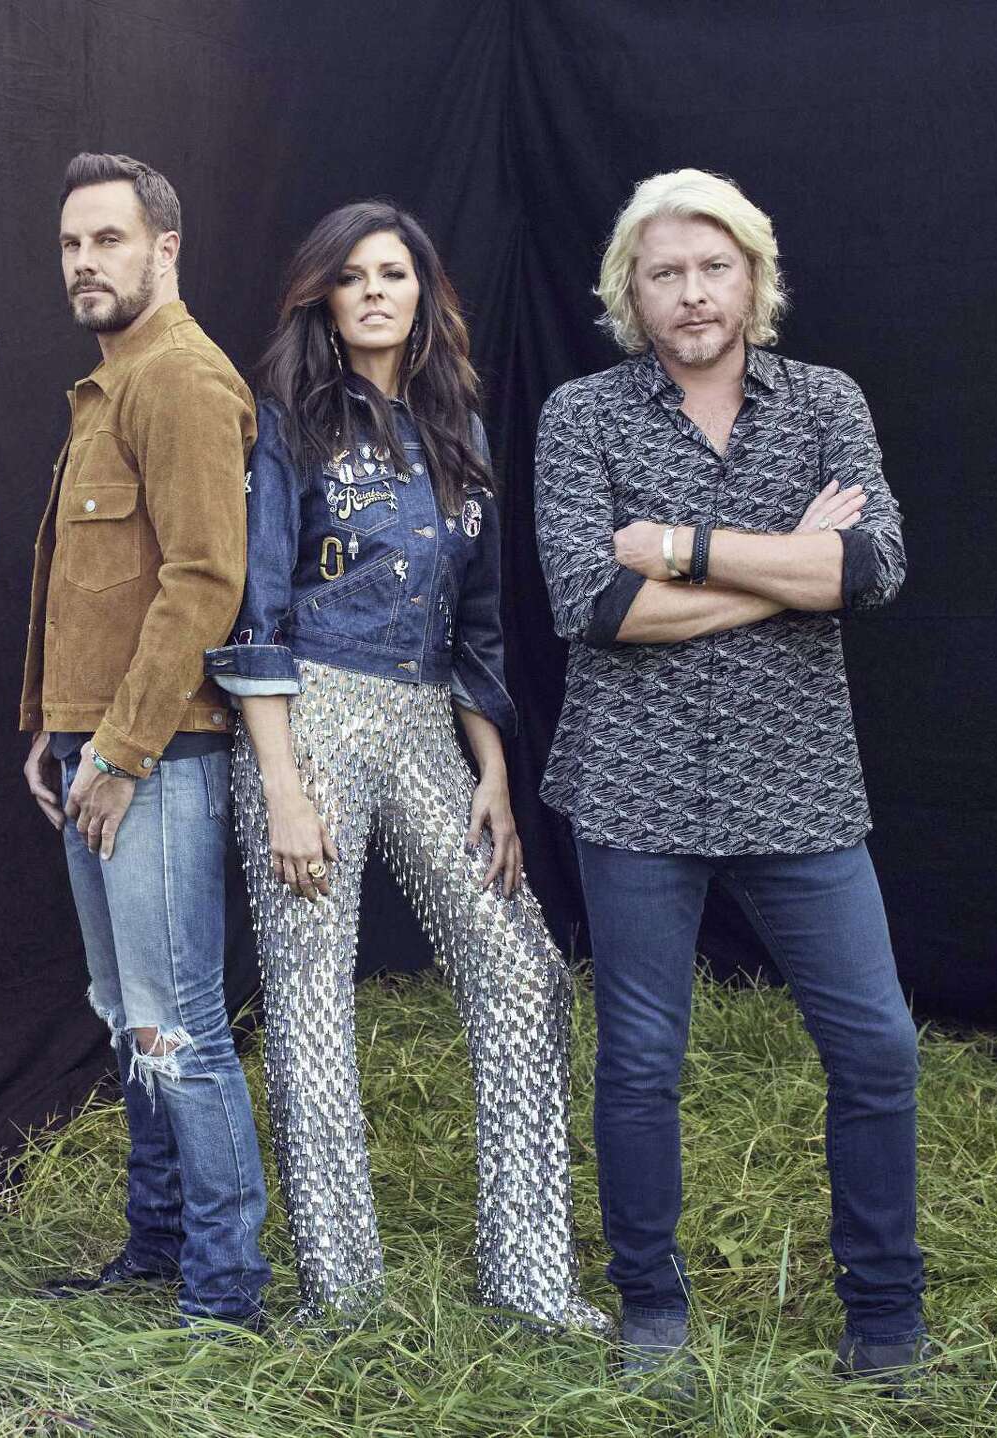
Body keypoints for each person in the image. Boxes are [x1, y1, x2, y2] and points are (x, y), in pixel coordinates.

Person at [533, 168, 927, 1392]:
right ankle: (650, 1304)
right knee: (641, 1061)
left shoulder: (826, 402)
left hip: (801, 786)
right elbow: (591, 603)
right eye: (666, 273)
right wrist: (788, 566)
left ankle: (886, 1311)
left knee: (877, 1050)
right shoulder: (582, 416)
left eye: (715, 268)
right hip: (633, 787)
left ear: (754, 279)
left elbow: (872, 569)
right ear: (631, 294)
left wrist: (683, 550)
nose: (693, 292)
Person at [206, 200, 609, 1334]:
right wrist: (282, 788)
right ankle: (342, 1296)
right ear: (324, 299)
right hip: (309, 715)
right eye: (353, 276)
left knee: (524, 972)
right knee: (310, 1000)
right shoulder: (286, 421)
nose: (375, 291)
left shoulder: (459, 428)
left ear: (423, 293)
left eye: (393, 272)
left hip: (430, 716)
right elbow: (258, 607)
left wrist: (494, 776)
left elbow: (479, 625)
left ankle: (530, 1276)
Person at [18, 152, 271, 1330]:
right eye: (72, 244)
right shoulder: (111, 381)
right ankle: (157, 1248)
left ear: (165, 248)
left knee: (181, 1027)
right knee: (131, 1021)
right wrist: (54, 722)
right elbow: (94, 584)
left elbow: (203, 582)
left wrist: (116, 753)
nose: (85, 262)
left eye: (108, 240)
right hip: (97, 742)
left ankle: (224, 1293)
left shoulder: (179, 378)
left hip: (158, 754)